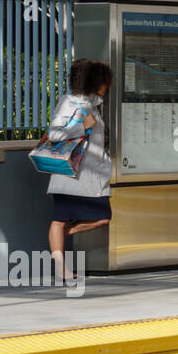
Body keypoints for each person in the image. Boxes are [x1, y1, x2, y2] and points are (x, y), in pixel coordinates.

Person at [46, 58, 114, 281]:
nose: (107, 86)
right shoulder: (70, 102)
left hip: (91, 177)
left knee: (103, 217)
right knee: (60, 219)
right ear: (95, 81)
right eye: (105, 81)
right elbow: (55, 134)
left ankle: (64, 235)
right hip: (70, 172)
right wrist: (82, 126)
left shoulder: (93, 104)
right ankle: (61, 269)